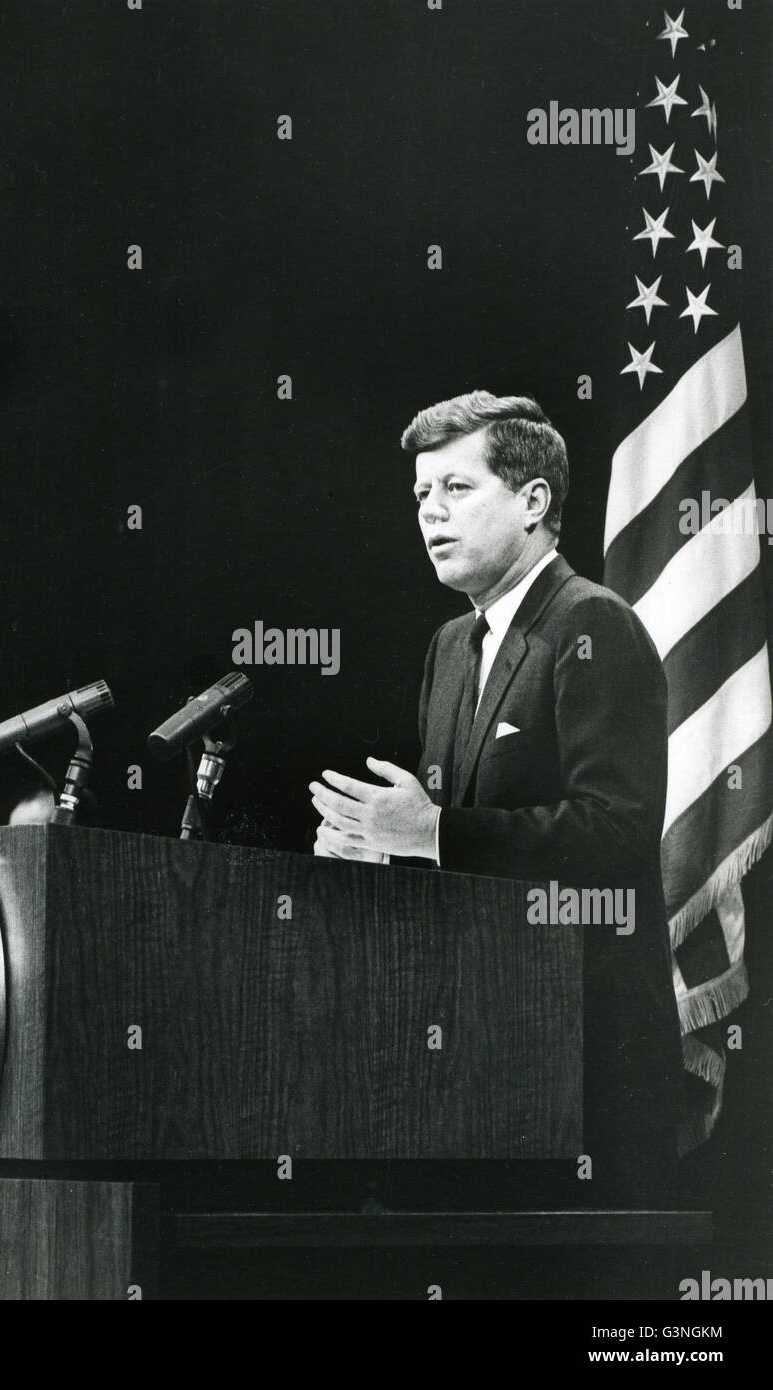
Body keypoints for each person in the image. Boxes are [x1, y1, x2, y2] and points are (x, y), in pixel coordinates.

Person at [311, 390, 683, 1178]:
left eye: (456, 488)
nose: (429, 512)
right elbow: (453, 851)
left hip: (586, 1057)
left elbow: (614, 831)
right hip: (470, 1046)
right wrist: (380, 848)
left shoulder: (592, 624)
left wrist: (430, 832)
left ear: (533, 502)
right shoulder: (450, 648)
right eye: (420, 494)